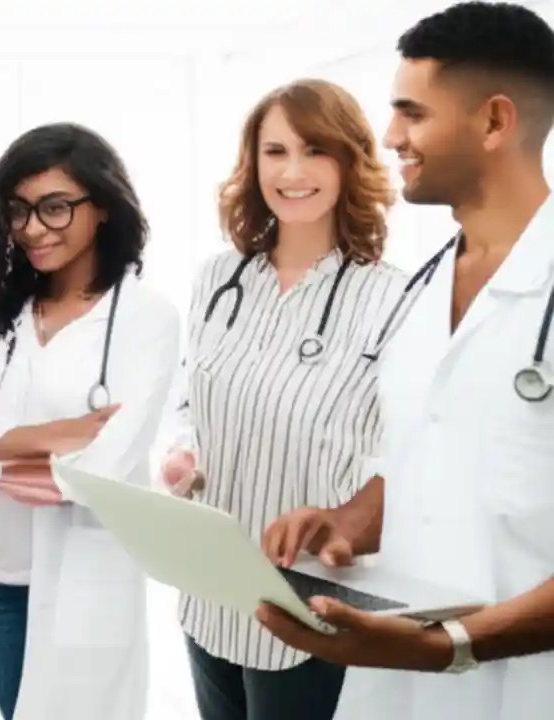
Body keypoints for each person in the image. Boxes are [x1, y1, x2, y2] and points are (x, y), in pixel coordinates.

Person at [257, 4, 554, 720]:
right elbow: (427, 453)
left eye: (411, 114)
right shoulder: (421, 290)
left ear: (493, 122)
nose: (390, 137)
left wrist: (443, 646)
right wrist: (347, 522)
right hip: (395, 688)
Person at [158, 79, 407, 719]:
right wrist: (184, 452)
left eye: (315, 151)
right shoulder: (219, 278)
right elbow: (191, 398)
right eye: (275, 152)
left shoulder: (395, 299)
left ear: (351, 162)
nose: (293, 172)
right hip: (211, 589)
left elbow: (401, 453)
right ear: (253, 162)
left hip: (312, 600)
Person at [0, 122, 180, 720]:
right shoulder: (1, 313)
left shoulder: (145, 317)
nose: (33, 228)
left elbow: (109, 458)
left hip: (84, 576)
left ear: (103, 208)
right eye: (19, 211)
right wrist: (53, 437)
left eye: (55, 208)